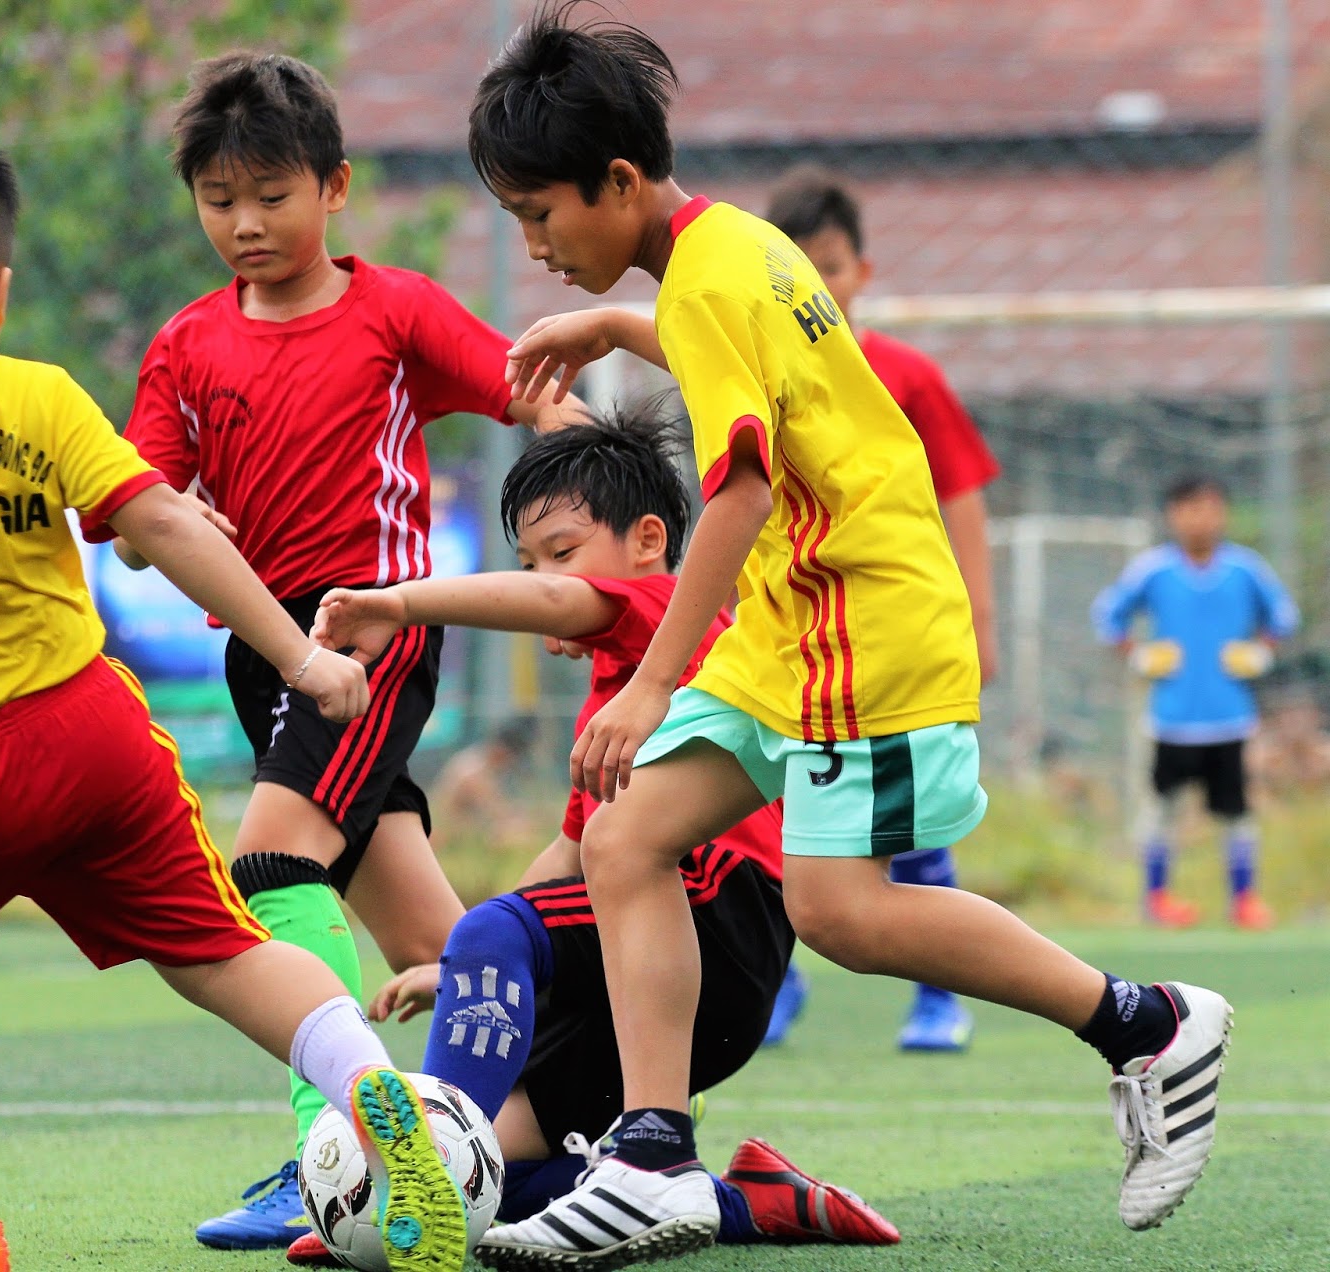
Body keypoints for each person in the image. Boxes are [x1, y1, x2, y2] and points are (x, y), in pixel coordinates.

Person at [459, 7, 1234, 1264]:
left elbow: (743, 489)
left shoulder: (710, 282)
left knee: (843, 914)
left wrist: (652, 683)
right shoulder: (736, 250)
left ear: (617, 181)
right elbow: (756, 375)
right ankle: (653, 1152)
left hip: (854, 625)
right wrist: (613, 326)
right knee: (626, 837)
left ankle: (1145, 1023)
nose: (532, 245)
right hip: (792, 628)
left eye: (539, 213)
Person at [0, 124, 468, 1272]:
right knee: (221, 950)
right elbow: (166, 520)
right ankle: (378, 1100)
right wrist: (303, 658)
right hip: (98, 737)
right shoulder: (37, 393)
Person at [110, 53, 581, 1250]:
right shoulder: (186, 342)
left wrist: (597, 482)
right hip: (263, 658)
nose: (245, 223)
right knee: (439, 944)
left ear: (335, 189)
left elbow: (529, 395)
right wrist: (163, 516)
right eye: (218, 199)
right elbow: (128, 505)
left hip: (363, 643)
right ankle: (558, 1154)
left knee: (267, 867)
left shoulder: (396, 309)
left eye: (271, 194)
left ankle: (321, 1151)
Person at [298, 414, 899, 1265]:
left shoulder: (665, 611)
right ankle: (747, 1202)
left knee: (493, 932)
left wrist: (401, 601)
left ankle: (422, 1172)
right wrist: (473, 961)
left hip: (718, 919)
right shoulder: (611, 704)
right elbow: (570, 857)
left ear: (648, 541)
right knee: (512, 1166)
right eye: (531, 557)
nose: (545, 578)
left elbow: (556, 605)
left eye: (563, 550)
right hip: (660, 988)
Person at [759, 166, 1004, 1053]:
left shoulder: (904, 375)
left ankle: (939, 998)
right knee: (773, 820)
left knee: (908, 827)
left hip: (888, 644)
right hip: (789, 647)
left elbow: (962, 494)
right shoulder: (758, 371)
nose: (819, 285)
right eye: (799, 269)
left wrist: (982, 622)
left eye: (831, 265)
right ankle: (773, 986)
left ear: (861, 270)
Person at [1091, 476, 1297, 930]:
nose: (1199, 518)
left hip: (1229, 718)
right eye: (1189, 508)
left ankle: (1244, 898)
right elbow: (1108, 615)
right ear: (1172, 515)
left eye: (1209, 507)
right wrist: (1139, 654)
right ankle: (1156, 897)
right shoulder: (1153, 570)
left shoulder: (1246, 569)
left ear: (1222, 513)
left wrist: (1260, 652)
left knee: (1237, 811)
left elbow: (1283, 617)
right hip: (1171, 719)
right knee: (1162, 809)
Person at [429, 716, 539, 852]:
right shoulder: (474, 772)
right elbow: (498, 813)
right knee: (520, 834)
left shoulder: (480, 759)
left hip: (465, 830)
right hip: (452, 835)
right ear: (503, 752)